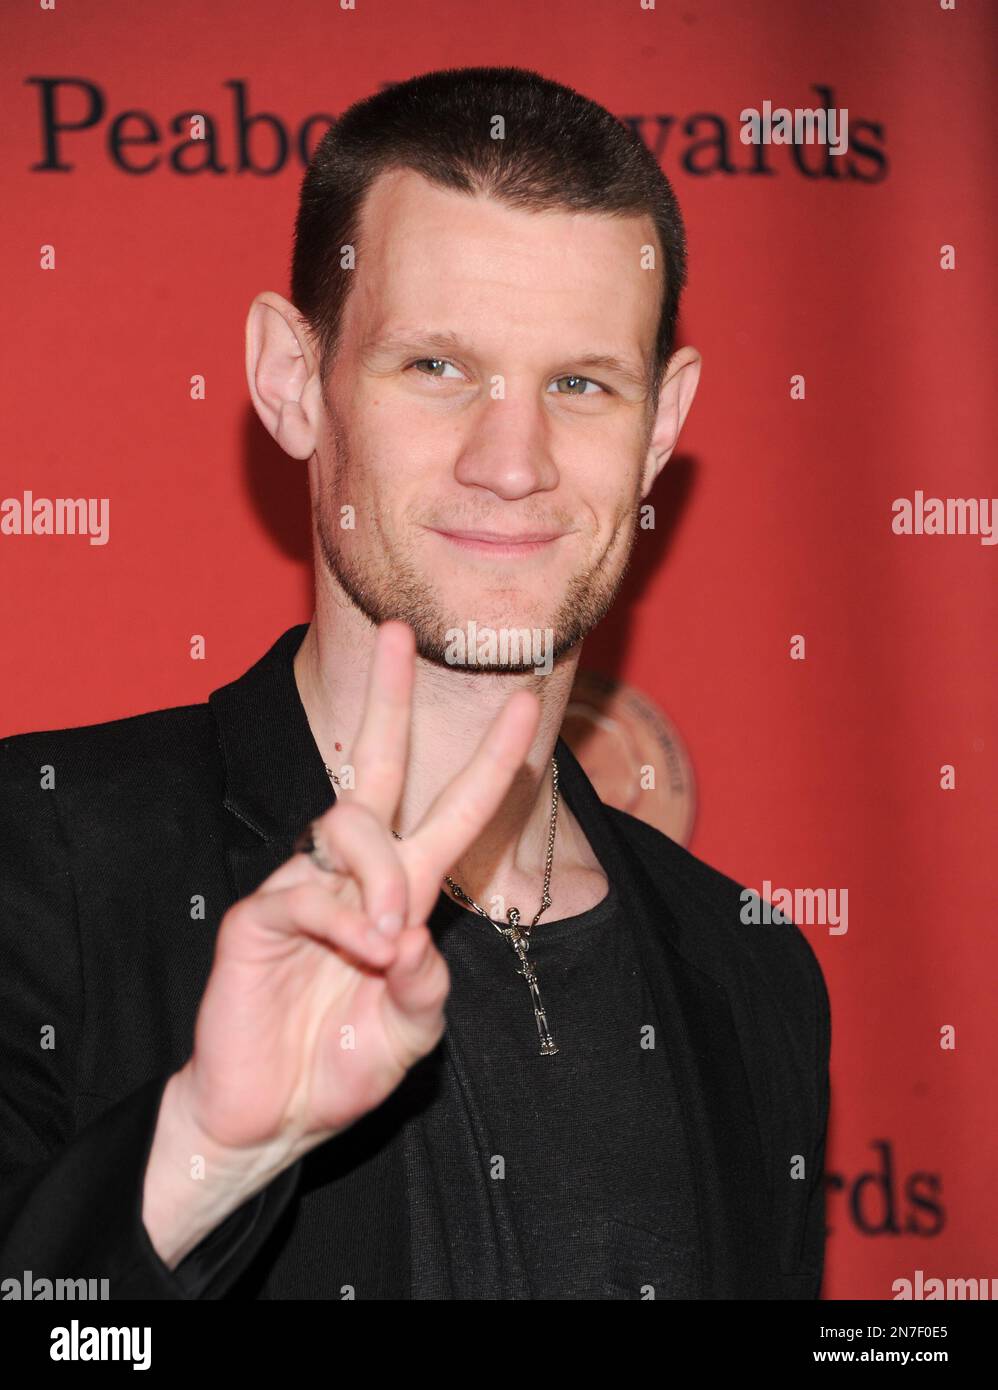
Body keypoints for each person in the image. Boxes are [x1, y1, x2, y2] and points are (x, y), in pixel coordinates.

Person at [0, 65, 830, 1300]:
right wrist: (204, 1154)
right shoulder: (42, 856)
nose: (511, 461)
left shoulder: (750, 969)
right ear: (292, 380)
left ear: (659, 427)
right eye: (436, 366)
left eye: (579, 384)